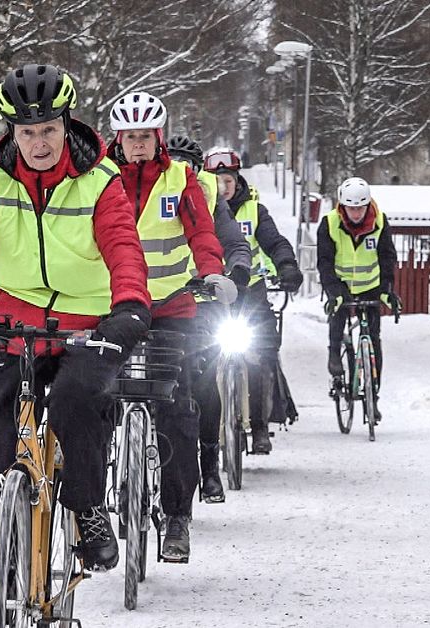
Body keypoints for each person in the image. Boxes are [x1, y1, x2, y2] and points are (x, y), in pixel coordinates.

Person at [0, 64, 151, 628]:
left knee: (76, 400)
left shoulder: (100, 179)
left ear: (66, 126)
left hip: (86, 329)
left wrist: (130, 306)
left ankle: (86, 507)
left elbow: (122, 246)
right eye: (27, 133)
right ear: (12, 134)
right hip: (11, 330)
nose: (38, 143)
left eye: (48, 130)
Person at [106, 93, 234, 562]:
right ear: (118, 139)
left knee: (177, 408)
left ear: (158, 137)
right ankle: (92, 507)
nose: (138, 145)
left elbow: (202, 233)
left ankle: (177, 516)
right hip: (114, 305)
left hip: (173, 306)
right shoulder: (98, 177)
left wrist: (212, 272)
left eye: (145, 136)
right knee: (95, 398)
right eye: (130, 137)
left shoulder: (182, 179)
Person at [166, 134, 251, 504]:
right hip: (158, 302)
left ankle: (209, 465)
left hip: (205, 302)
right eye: (174, 162)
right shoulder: (147, 192)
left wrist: (239, 268)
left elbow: (233, 241)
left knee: (203, 383)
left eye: (187, 164)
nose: (181, 170)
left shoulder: (210, 197)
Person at [203, 149, 302, 455]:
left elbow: (275, 242)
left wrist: (287, 266)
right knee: (198, 361)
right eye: (217, 181)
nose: (223, 187)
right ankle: (201, 430)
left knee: (261, 356)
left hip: (252, 299)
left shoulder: (255, 211)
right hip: (213, 299)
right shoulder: (199, 207)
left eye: (228, 180)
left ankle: (260, 426)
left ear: (238, 181)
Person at [317, 176, 398, 416]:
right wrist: (333, 292)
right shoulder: (330, 224)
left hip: (370, 286)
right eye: (351, 209)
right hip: (341, 285)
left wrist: (386, 291)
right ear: (342, 206)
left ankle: (373, 396)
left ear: (367, 205)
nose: (356, 213)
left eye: (360, 208)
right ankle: (334, 355)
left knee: (373, 338)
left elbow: (387, 257)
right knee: (338, 318)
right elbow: (325, 262)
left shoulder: (380, 222)